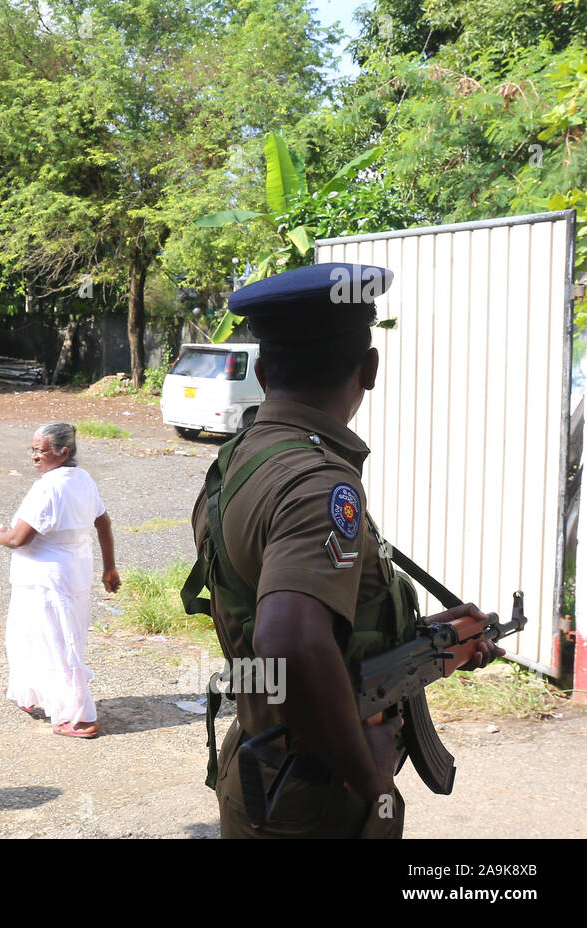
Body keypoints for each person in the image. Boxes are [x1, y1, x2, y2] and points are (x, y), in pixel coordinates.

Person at [185, 263, 502, 838]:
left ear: (261, 369)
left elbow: (294, 623)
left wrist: (431, 641)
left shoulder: (238, 462)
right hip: (316, 797)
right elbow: (289, 638)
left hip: (264, 765)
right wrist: (370, 782)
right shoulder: (317, 483)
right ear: (370, 369)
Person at [0, 421, 121, 738]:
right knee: (39, 637)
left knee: (57, 645)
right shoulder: (82, 479)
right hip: (69, 573)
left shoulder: (50, 487)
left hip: (47, 578)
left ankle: (79, 718)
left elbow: (20, 538)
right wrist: (109, 568)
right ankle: (37, 695)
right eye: (32, 449)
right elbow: (103, 523)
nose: (34, 456)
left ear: (63, 452)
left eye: (41, 450)